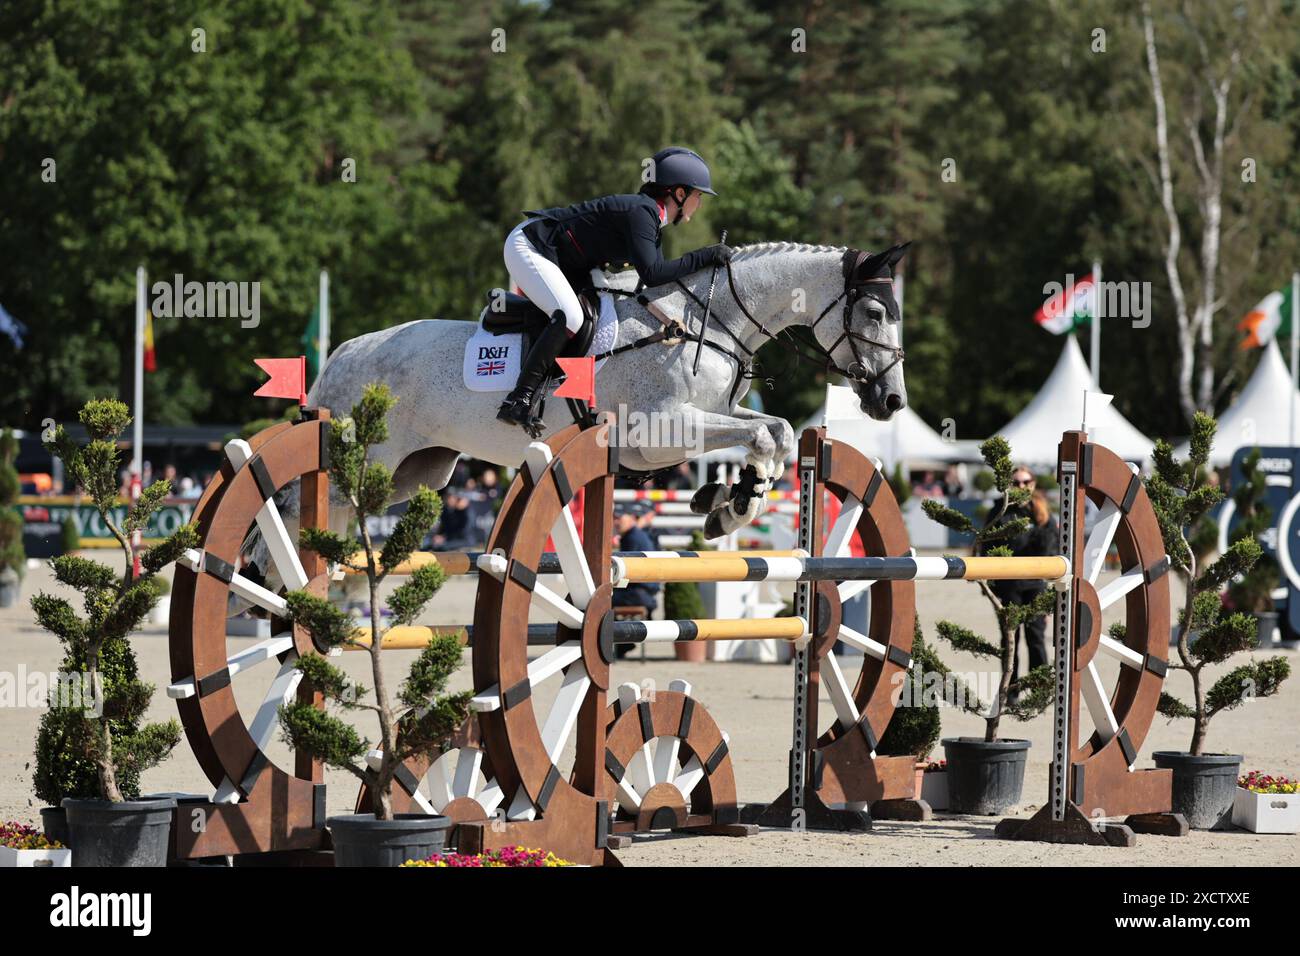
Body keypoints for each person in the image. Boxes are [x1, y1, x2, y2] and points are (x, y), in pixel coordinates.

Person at [496, 147, 734, 434]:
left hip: (568, 261)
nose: (699, 203)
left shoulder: (650, 220)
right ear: (679, 194)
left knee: (601, 310)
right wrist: (705, 256)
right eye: (698, 195)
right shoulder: (642, 213)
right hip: (532, 247)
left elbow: (646, 282)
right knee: (571, 316)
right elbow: (655, 274)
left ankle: (563, 397)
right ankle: (519, 398)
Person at [982, 466, 1059, 685]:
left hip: (1036, 585)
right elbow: (986, 548)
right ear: (1009, 485)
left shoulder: (1042, 511)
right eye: (1016, 482)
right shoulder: (999, 511)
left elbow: (1053, 551)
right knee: (1010, 639)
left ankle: (1038, 687)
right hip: (1008, 586)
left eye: (1026, 482)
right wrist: (990, 587)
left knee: (1036, 638)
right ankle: (1011, 690)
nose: (1021, 486)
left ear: (1033, 484)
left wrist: (1051, 595)